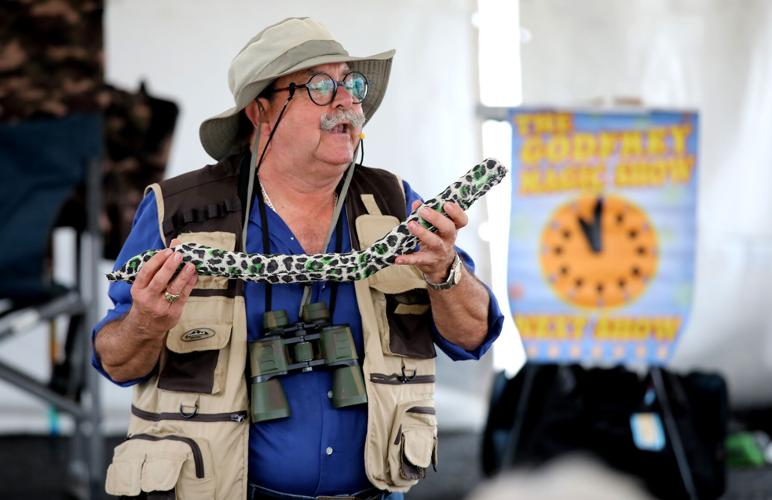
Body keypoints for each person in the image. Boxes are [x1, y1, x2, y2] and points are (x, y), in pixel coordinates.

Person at [93, 17, 504, 500]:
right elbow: (117, 363)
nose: (347, 100)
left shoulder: (395, 204)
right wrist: (145, 322)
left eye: (352, 84)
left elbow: (475, 335)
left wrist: (445, 273)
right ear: (260, 111)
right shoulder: (177, 212)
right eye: (320, 86)